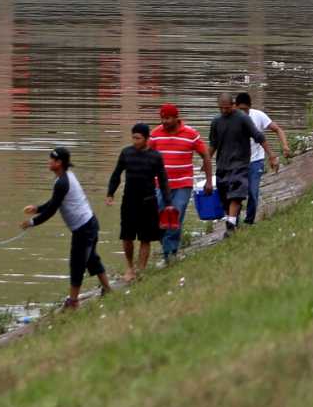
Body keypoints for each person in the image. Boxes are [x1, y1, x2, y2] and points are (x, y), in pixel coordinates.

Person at [21, 146, 113, 309]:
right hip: (89, 224)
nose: (49, 162)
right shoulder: (64, 178)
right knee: (92, 259)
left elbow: (52, 210)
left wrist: (32, 222)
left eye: (52, 159)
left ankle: (73, 302)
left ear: (59, 163)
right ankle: (108, 289)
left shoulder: (63, 182)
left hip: (84, 228)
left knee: (77, 263)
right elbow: (55, 202)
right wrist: (37, 208)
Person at [105, 122, 170, 281]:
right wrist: (110, 193)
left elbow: (163, 181)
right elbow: (116, 174)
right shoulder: (126, 153)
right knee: (126, 237)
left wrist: (168, 203)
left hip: (148, 201)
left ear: (147, 138)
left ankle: (140, 270)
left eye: (138, 138)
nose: (135, 141)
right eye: (133, 138)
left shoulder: (155, 156)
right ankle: (129, 267)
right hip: (129, 201)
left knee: (145, 238)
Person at [148, 102, 211, 263]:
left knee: (175, 216)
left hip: (183, 184)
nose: (165, 121)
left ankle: (171, 253)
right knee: (157, 219)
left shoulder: (191, 134)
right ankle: (167, 247)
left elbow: (205, 155)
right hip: (159, 185)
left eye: (168, 118)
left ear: (177, 118)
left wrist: (209, 181)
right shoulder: (155, 134)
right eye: (162, 118)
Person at [206, 93, 266, 235]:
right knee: (225, 197)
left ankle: (231, 225)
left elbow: (258, 136)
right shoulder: (216, 122)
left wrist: (271, 155)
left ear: (233, 105)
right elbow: (213, 145)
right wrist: (206, 160)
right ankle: (231, 220)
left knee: (236, 195)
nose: (224, 111)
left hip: (240, 164)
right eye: (221, 108)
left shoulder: (243, 118)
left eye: (227, 108)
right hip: (222, 165)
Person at [234, 91, 290, 225]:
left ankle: (249, 222)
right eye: (240, 110)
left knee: (253, 193)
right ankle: (233, 224)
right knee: (236, 195)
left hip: (255, 161)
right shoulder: (230, 119)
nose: (243, 113)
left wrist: (285, 147)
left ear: (250, 107)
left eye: (245, 110)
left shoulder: (258, 116)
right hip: (237, 162)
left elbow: (277, 130)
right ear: (235, 107)